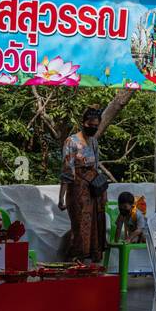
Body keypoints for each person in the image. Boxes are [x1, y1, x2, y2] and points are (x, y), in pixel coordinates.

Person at [59, 107, 107, 262]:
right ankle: (74, 260)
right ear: (83, 122)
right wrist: (62, 197)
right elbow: (67, 170)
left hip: (94, 191)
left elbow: (97, 167)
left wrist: (103, 192)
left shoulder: (93, 141)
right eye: (90, 124)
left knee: (95, 226)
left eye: (96, 126)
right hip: (78, 191)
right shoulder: (71, 142)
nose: (92, 128)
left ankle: (89, 262)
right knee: (79, 227)